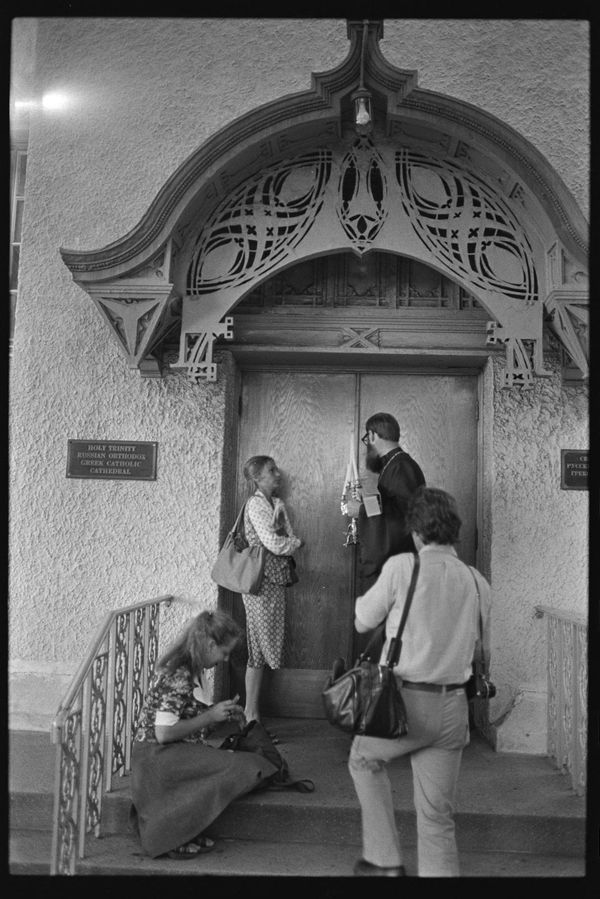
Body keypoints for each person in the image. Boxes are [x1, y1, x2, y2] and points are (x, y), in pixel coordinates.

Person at [348, 486, 491, 877]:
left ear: (416, 531)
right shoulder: (478, 582)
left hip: (406, 701)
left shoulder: (402, 568)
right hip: (454, 710)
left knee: (363, 759)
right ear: (453, 531)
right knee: (437, 820)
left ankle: (383, 861)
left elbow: (362, 620)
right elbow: (479, 646)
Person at [129, 609, 280, 860]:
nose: (225, 658)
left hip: (166, 755)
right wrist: (211, 716)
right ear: (210, 644)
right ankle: (170, 835)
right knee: (246, 766)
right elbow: (164, 732)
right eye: (224, 652)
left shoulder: (192, 668)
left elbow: (186, 720)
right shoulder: (180, 673)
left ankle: (183, 832)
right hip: (156, 759)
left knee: (242, 764)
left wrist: (221, 714)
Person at [241, 455, 303, 724]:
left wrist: (290, 541)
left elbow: (284, 537)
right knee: (258, 648)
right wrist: (296, 543)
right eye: (271, 470)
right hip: (259, 583)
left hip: (274, 581)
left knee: (259, 651)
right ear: (257, 478)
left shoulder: (275, 504)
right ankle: (250, 715)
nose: (278, 474)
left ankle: (251, 715)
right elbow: (277, 544)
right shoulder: (255, 505)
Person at [346, 412, 425, 593]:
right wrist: (366, 502)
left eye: (367, 439)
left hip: (399, 562)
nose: (368, 445)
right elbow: (391, 506)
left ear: (372, 435)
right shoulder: (396, 464)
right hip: (398, 562)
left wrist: (361, 510)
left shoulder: (401, 466)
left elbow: (403, 517)